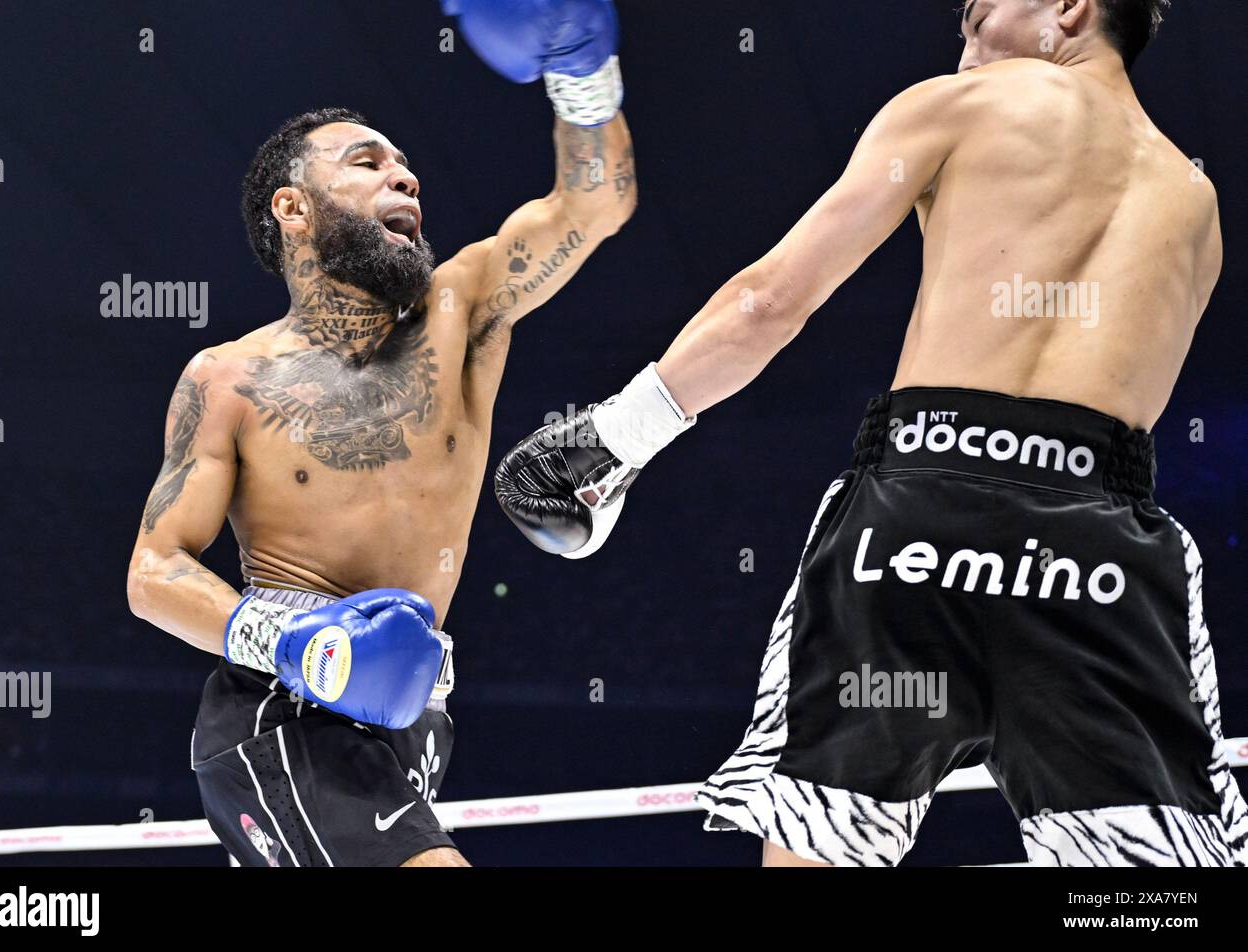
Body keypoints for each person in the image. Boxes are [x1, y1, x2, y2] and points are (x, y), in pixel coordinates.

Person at [494, 0, 1247, 866]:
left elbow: (768, 304)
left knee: (821, 848)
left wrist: (610, 440)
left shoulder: (959, 105)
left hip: (915, 534)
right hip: (1103, 564)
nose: (965, 10)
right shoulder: (1196, 204)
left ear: (1070, 8)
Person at [126, 0, 635, 867]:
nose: (405, 178)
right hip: (282, 712)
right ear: (294, 207)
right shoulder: (228, 379)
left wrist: (581, 68)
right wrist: (299, 645)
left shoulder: (461, 310)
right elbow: (154, 571)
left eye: (407, 167)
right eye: (368, 163)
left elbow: (593, 206)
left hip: (416, 719)